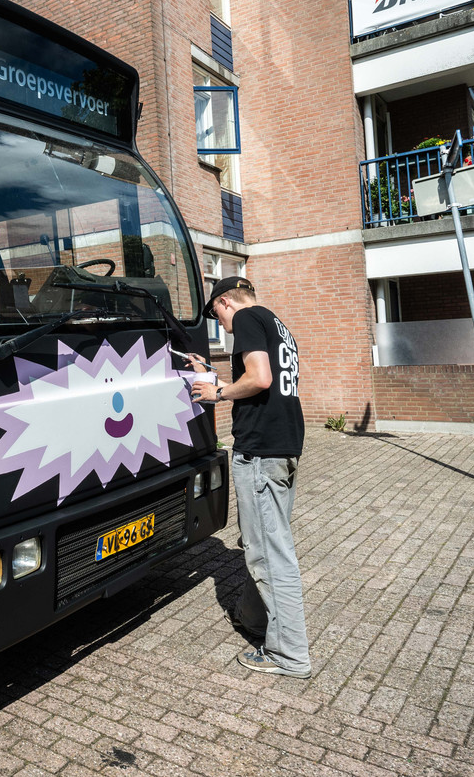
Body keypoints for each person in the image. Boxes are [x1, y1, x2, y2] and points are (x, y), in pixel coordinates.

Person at [187, 276, 311, 679]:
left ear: (226, 301)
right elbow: (261, 387)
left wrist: (218, 395)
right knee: (266, 541)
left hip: (261, 452)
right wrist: (215, 379)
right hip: (285, 445)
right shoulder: (275, 322)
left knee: (269, 554)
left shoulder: (245, 319)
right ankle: (255, 620)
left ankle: (288, 655)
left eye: (215, 313)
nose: (220, 324)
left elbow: (258, 378)